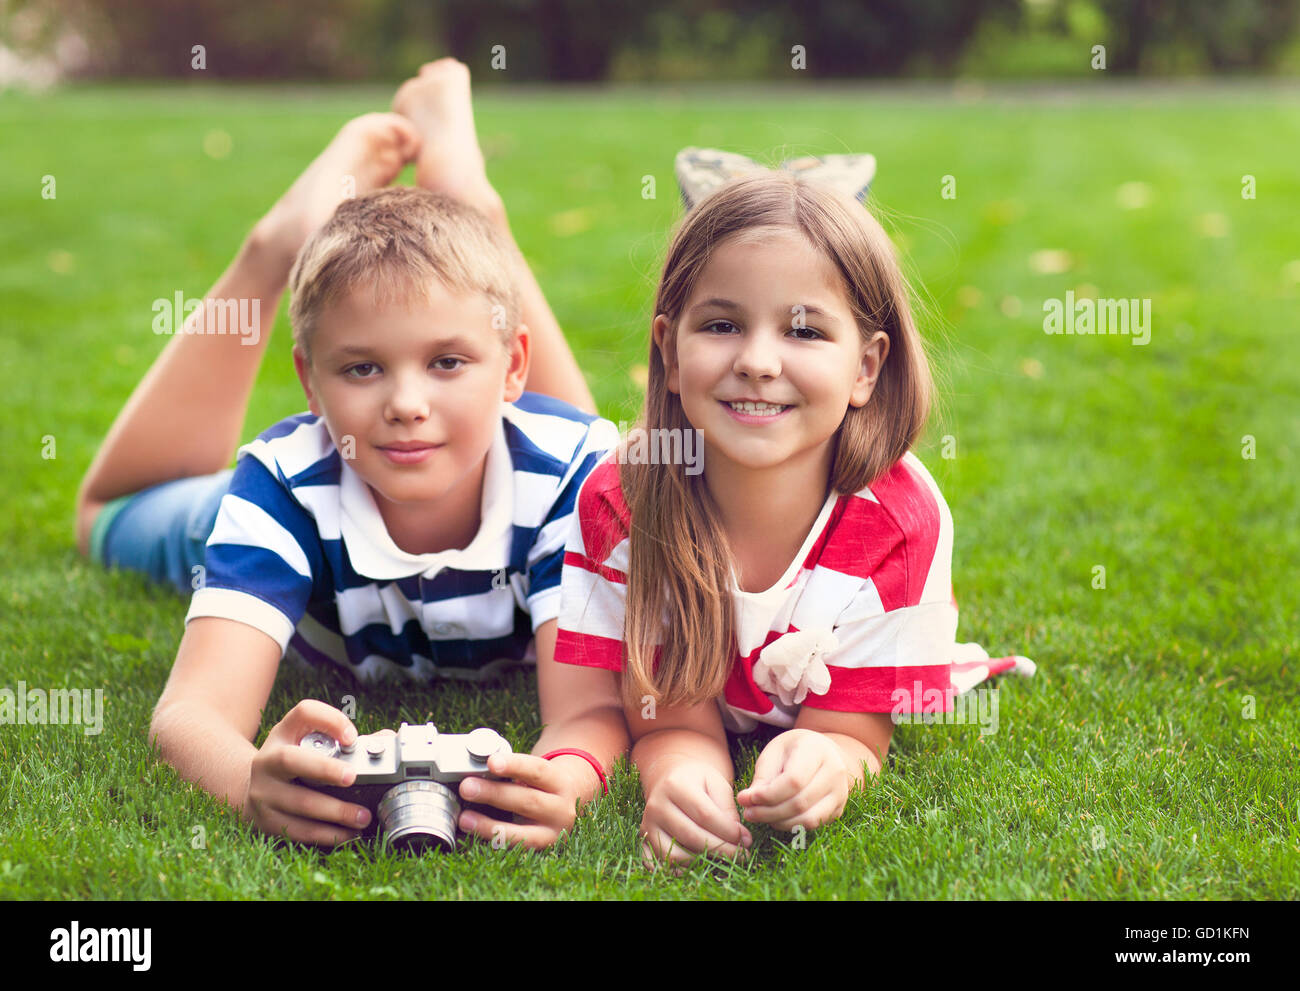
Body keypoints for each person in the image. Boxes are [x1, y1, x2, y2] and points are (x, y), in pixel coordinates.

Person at [74, 60, 625, 850]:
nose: (405, 403)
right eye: (362, 368)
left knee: (590, 461)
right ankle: (276, 246)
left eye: (445, 361)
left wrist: (568, 775)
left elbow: (588, 713)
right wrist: (247, 778)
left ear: (516, 368)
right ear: (310, 383)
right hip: (283, 497)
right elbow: (191, 713)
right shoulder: (280, 484)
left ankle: (473, 209)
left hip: (533, 450)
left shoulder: (574, 477)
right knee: (101, 517)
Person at [554, 164, 1035, 866]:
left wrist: (827, 760)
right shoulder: (622, 500)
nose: (757, 361)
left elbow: (852, 733)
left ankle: (804, 188)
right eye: (722, 325)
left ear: (866, 368)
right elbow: (668, 714)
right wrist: (680, 774)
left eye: (804, 331)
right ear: (670, 352)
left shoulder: (899, 520)